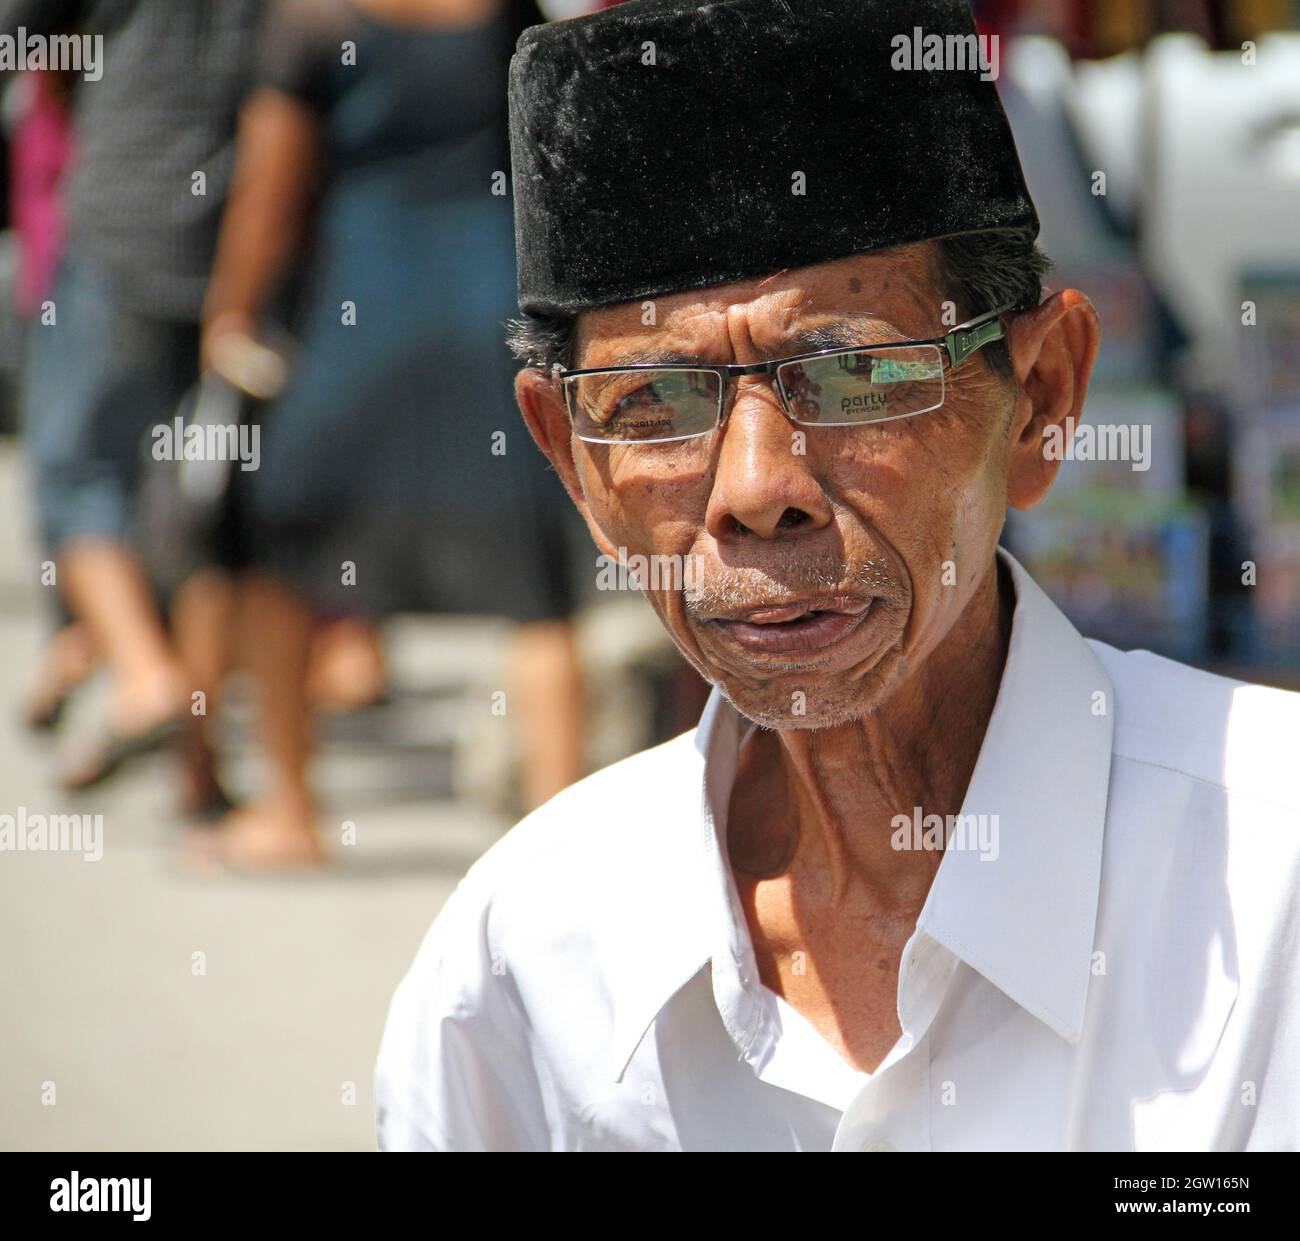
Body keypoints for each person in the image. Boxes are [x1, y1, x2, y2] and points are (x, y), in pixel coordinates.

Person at [373, 0, 1300, 1151]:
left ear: (1042, 402)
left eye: (856, 373)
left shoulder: (1272, 881)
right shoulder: (525, 958)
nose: (756, 488)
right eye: (657, 402)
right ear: (571, 462)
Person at [196, 0, 587, 869]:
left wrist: (229, 311)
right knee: (535, 581)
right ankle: (562, 836)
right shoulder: (503, 12)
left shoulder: (314, 15)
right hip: (491, 299)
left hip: (356, 302)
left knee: (283, 544)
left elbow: (270, 179)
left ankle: (289, 810)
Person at [0, 0, 265, 801]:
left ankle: (144, 675)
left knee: (76, 473)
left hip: (127, 224)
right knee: (212, 502)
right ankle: (196, 763)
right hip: (246, 237)